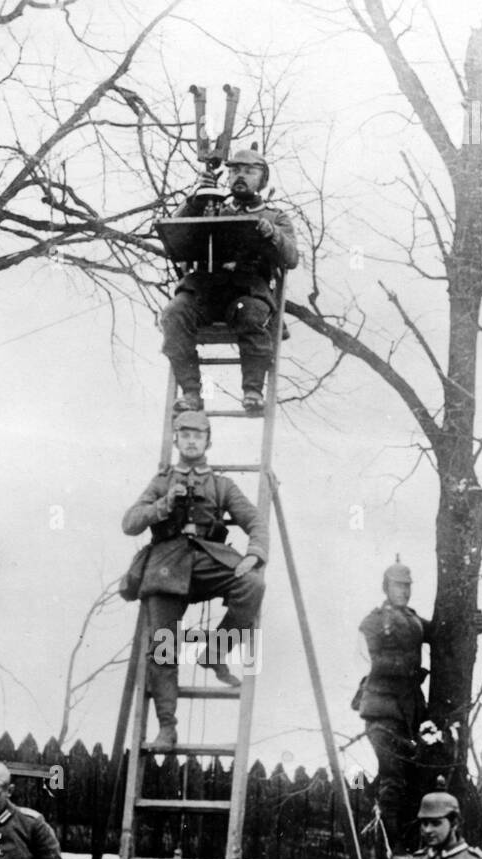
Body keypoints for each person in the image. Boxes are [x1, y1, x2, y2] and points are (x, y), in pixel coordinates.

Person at [122, 409, 268, 751]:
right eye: (184, 435)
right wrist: (161, 505)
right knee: (162, 646)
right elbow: (129, 523)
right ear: (176, 440)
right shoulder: (161, 481)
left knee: (253, 584)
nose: (190, 441)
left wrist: (253, 554)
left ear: (208, 442)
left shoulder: (221, 485)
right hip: (165, 565)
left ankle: (216, 652)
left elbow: (256, 522)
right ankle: (167, 727)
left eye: (197, 436)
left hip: (207, 559)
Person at [355, 563, 482, 852]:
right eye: (397, 585)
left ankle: (400, 842)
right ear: (386, 588)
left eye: (407, 586)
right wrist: (411, 670)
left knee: (409, 778)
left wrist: (473, 624)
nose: (403, 591)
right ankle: (392, 850)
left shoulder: (414, 621)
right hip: (382, 709)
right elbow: (377, 661)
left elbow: (442, 634)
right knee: (393, 777)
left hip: (409, 712)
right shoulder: (375, 621)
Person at [161, 146, 298, 415]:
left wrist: (272, 234)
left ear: (263, 179)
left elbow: (291, 257)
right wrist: (196, 199)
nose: (240, 176)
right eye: (235, 170)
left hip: (245, 294)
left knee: (250, 313)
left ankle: (252, 391)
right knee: (173, 313)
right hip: (205, 292)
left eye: (249, 171)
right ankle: (190, 392)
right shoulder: (213, 209)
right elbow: (174, 235)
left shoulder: (274, 216)